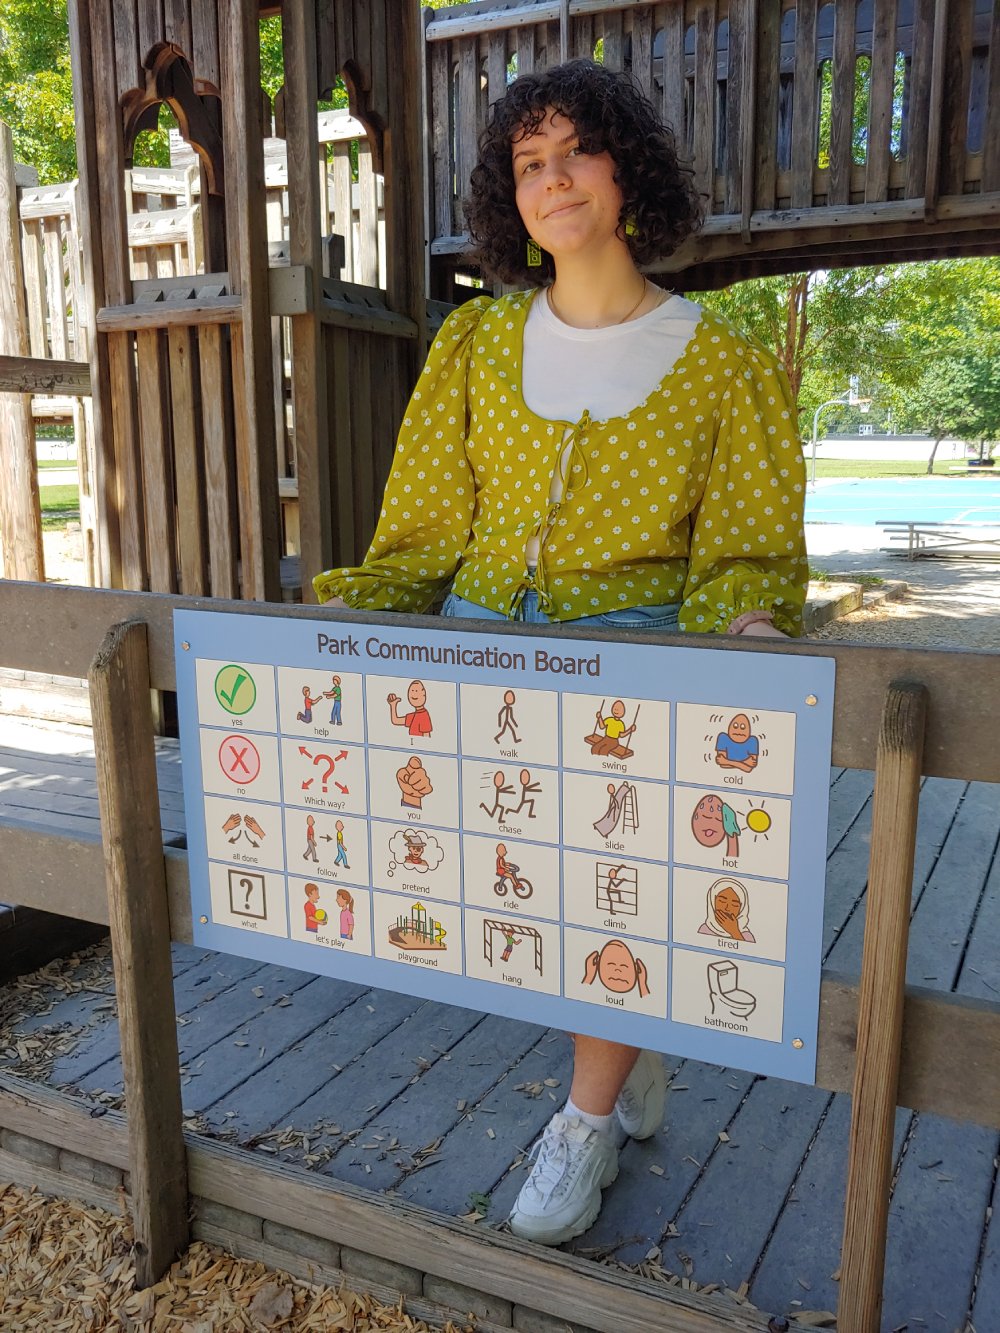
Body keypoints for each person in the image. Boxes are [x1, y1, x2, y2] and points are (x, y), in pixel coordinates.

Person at [314, 59, 806, 1246]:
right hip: (481, 668)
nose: (552, 179)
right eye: (527, 163)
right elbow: (423, 531)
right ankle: (627, 1060)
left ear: (626, 169)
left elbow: (741, 556)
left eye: (574, 151)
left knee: (609, 904)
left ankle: (582, 1119)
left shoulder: (725, 361)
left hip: (633, 668)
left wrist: (748, 630)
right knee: (519, 903)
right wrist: (345, 620)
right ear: (508, 195)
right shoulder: (474, 344)